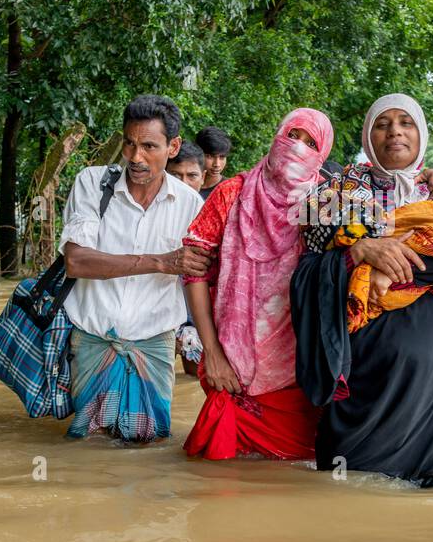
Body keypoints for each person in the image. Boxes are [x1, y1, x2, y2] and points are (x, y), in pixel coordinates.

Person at [291, 93, 433, 487]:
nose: (395, 132)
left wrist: (403, 264)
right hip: (367, 370)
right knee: (350, 485)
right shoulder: (337, 191)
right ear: (368, 136)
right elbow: (305, 271)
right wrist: (357, 251)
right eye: (382, 124)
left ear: (421, 133)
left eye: (405, 122)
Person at [181, 109, 335, 460]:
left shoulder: (324, 205)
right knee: (218, 484)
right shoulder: (230, 194)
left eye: (311, 143)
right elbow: (195, 273)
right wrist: (214, 354)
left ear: (322, 155)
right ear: (277, 134)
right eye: (293, 135)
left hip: (299, 374)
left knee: (295, 481)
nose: (298, 148)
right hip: (231, 370)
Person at [59, 95, 209, 442]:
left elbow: (198, 278)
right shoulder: (92, 183)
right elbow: (76, 261)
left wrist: (211, 351)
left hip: (155, 345)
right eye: (129, 143)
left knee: (150, 444)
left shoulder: (189, 204)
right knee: (87, 445)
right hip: (93, 339)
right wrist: (160, 261)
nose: (135, 157)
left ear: (173, 147)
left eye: (148, 146)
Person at [195, 126, 232, 200]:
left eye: (222, 157)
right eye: (210, 157)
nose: (217, 164)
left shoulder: (229, 189)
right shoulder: (186, 182)